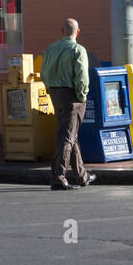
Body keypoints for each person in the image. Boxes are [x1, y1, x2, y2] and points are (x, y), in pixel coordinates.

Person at [42, 19, 94, 190]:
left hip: (55, 93)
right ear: (78, 32)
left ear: (61, 30)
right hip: (72, 96)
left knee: (71, 134)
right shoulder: (78, 50)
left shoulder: (50, 49)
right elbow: (82, 77)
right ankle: (58, 177)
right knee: (67, 136)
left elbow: (44, 73)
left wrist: (50, 90)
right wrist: (82, 95)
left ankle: (81, 175)